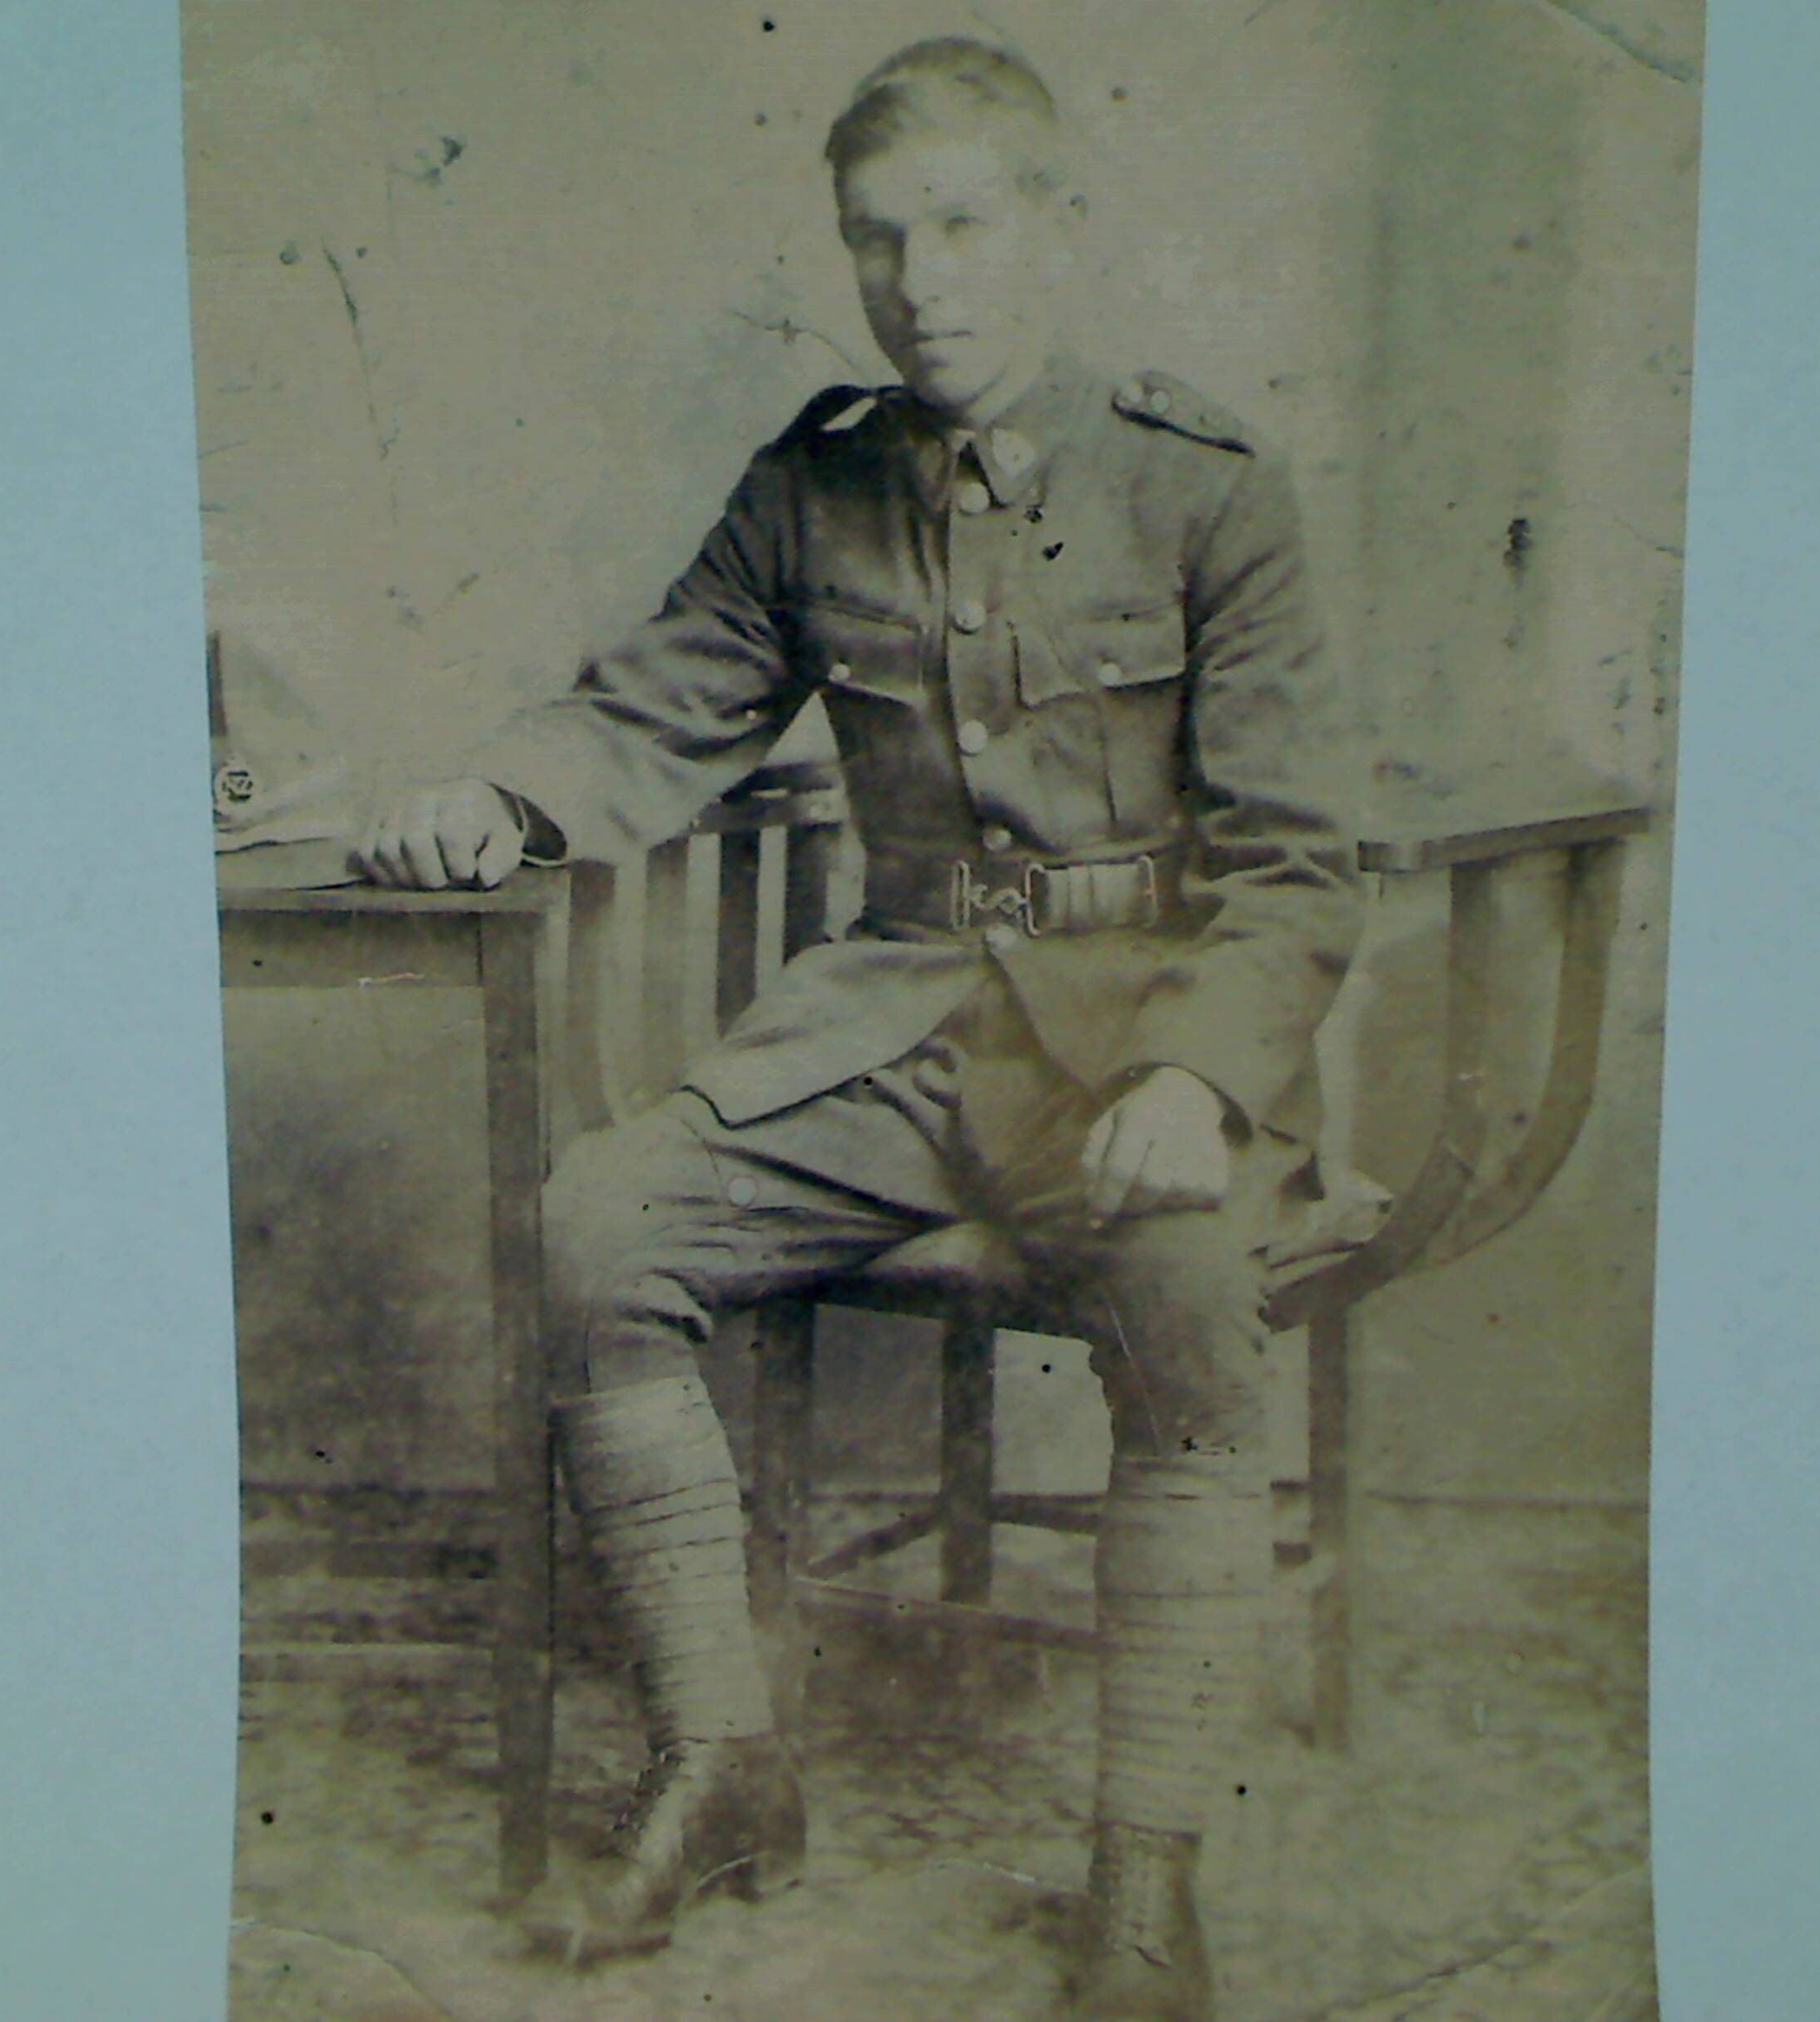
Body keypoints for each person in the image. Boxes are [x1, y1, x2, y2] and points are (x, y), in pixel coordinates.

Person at [355, 36, 1360, 2020]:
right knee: (598, 1230)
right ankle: (725, 1764)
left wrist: (1195, 1075)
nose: (922, 282)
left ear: (1057, 226)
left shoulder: (1205, 487)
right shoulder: (811, 487)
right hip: (894, 1019)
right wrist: (498, 797)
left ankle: (1145, 1874)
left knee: (1183, 1288)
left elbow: (1303, 863)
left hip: (1143, 1041)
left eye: (963, 227)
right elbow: (650, 709)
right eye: (880, 239)